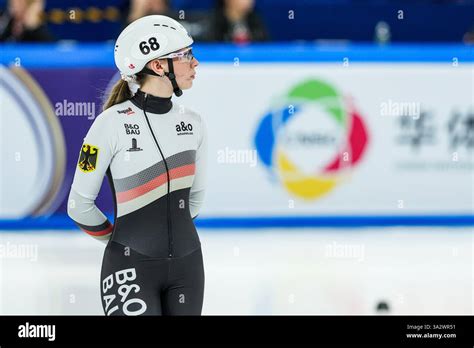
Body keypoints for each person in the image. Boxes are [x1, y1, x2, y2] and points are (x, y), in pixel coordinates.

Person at [67, 15, 207, 316]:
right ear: (158, 66)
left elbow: (195, 199)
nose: (195, 63)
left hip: (188, 268)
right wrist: (120, 242)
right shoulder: (109, 125)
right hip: (129, 269)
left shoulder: (194, 123)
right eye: (185, 56)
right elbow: (79, 205)